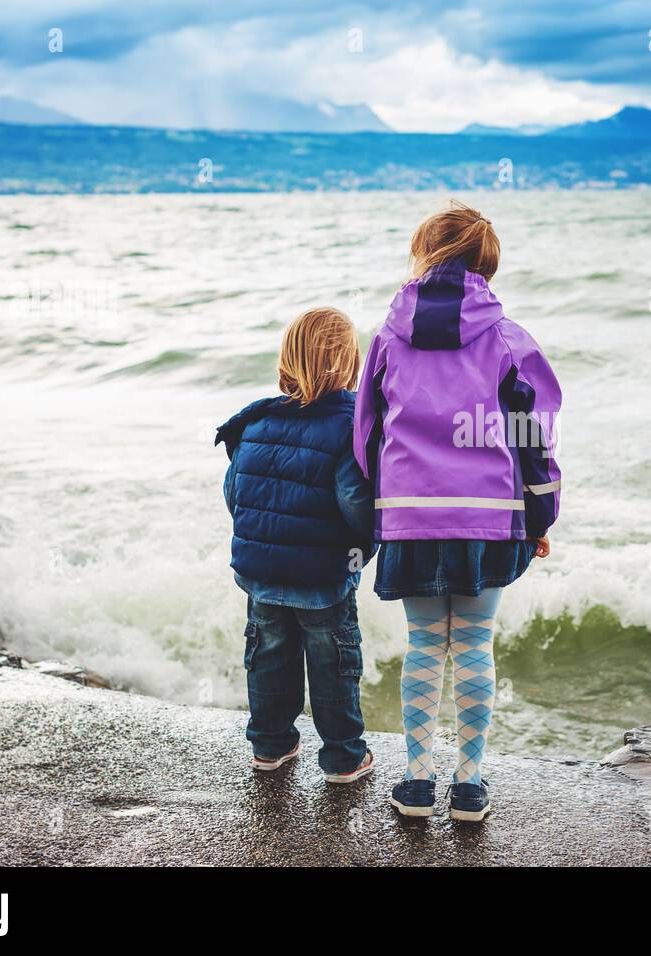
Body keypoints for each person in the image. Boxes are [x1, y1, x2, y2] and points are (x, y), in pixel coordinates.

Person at [354, 200, 562, 821]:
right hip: (487, 515)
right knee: (473, 645)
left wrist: (380, 509)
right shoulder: (507, 340)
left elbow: (365, 434)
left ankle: (417, 785)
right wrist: (542, 515)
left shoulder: (388, 336)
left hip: (411, 515)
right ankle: (469, 786)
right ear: (487, 266)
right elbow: (535, 436)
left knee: (423, 645)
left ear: (423, 255)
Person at [216, 307, 376, 782]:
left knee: (268, 658)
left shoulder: (257, 422)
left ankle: (270, 745)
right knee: (333, 665)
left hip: (262, 573)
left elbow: (234, 495)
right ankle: (344, 757)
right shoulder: (349, 428)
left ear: (286, 362)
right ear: (349, 367)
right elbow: (356, 505)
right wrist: (371, 540)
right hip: (324, 575)